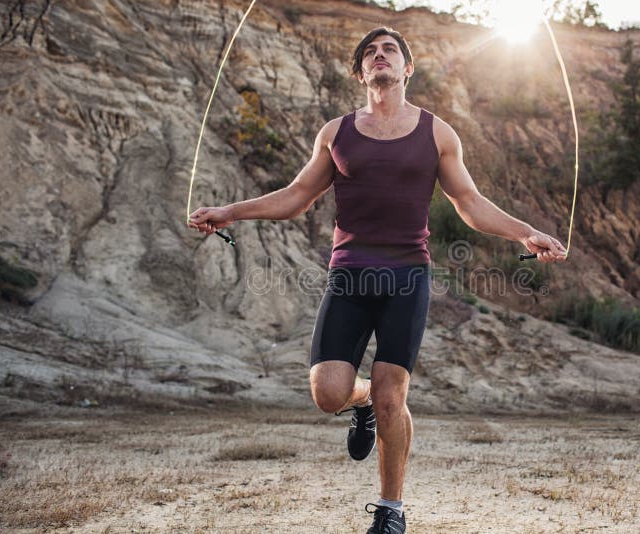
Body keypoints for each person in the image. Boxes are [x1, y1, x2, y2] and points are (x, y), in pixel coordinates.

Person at [189, 26, 567, 534]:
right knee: (328, 392)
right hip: (349, 275)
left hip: (407, 277)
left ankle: (391, 512)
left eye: (390, 50)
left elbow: (471, 204)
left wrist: (526, 234)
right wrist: (230, 212)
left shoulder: (437, 133)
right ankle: (360, 400)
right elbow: (296, 196)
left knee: (395, 396)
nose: (380, 55)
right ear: (361, 72)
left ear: (407, 68)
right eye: (370, 52)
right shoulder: (336, 133)